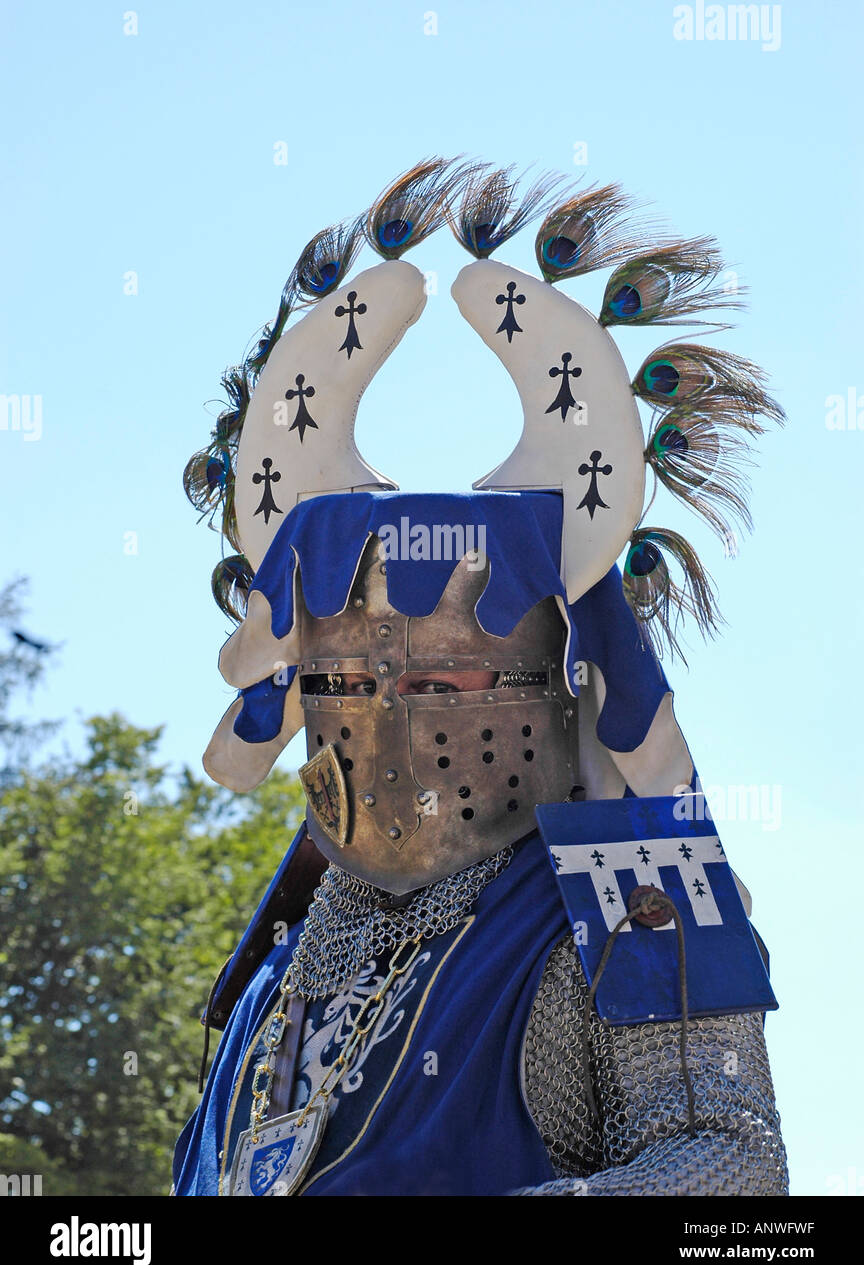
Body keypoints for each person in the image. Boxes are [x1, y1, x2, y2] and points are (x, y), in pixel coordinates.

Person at [173, 160, 788, 1197]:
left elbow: (729, 1173)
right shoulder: (275, 966)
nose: (392, 725)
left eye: (446, 687)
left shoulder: (639, 909)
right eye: (349, 686)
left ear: (549, 683)